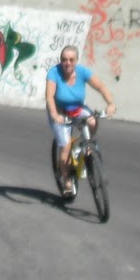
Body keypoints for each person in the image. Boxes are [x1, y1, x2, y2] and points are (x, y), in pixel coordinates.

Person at [45, 45, 116, 199]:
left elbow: (101, 87)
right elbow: (49, 97)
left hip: (77, 109)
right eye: (64, 60)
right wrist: (55, 115)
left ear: (76, 60)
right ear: (60, 61)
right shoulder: (54, 73)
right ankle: (67, 181)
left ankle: (86, 145)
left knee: (92, 121)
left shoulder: (83, 72)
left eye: (71, 60)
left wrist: (110, 103)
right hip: (60, 112)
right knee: (65, 146)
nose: (67, 63)